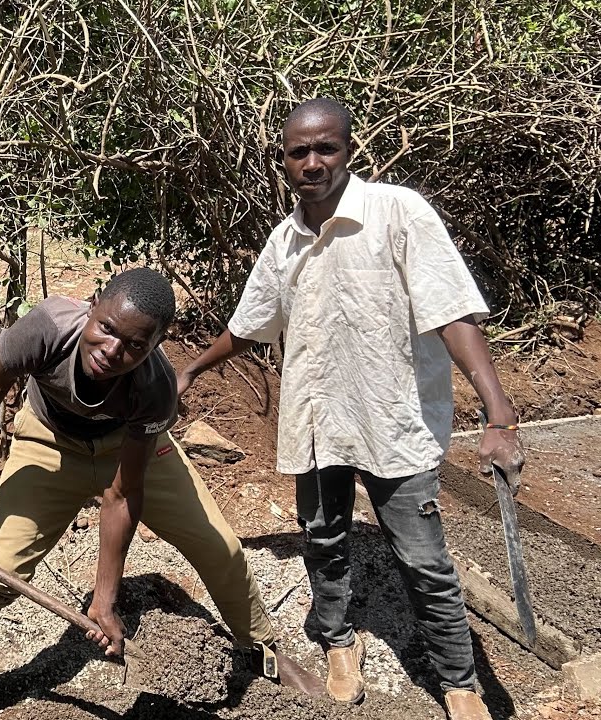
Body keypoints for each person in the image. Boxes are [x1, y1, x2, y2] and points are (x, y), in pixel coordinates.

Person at [179, 98, 525, 720]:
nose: (312, 163)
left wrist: (497, 414)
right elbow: (250, 324)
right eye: (298, 152)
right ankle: (339, 642)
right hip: (318, 421)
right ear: (283, 161)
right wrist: (191, 370)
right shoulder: (285, 241)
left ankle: (459, 682)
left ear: (348, 150)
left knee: (423, 560)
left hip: (393, 421)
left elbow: (451, 313)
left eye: (326, 148)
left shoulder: (398, 213)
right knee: (322, 537)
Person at [0, 268, 321, 720]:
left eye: (134, 345)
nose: (112, 351)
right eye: (107, 329)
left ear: (155, 346)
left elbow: (123, 493)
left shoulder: (155, 386)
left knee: (220, 548)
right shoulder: (44, 330)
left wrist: (104, 598)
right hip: (48, 442)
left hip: (126, 448)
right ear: (93, 305)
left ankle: (264, 649)